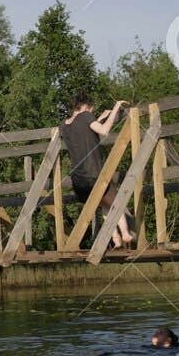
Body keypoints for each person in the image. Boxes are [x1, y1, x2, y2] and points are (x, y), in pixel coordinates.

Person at [60, 95, 135, 249]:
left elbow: (84, 133)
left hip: (78, 181)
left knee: (105, 205)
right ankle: (126, 233)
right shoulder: (86, 116)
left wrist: (100, 117)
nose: (92, 113)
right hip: (93, 176)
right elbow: (104, 131)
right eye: (92, 110)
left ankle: (116, 238)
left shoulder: (65, 125)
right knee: (116, 203)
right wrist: (116, 108)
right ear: (86, 107)